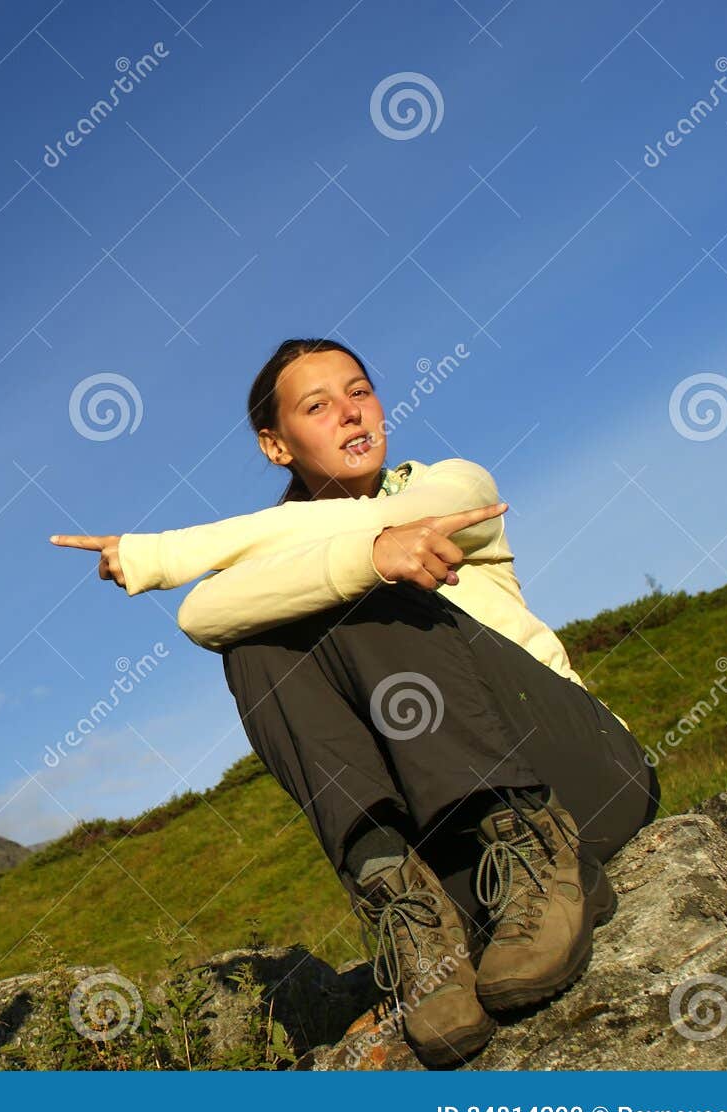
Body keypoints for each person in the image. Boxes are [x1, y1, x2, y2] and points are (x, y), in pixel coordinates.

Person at [50, 337, 660, 1069]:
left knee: (376, 584)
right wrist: (368, 556)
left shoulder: (451, 484)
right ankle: (404, 905)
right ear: (275, 446)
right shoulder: (292, 550)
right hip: (459, 858)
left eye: (360, 391)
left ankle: (536, 846)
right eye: (318, 406)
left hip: (580, 775)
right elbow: (202, 614)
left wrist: (166, 551)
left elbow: (360, 536)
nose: (351, 413)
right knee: (258, 641)